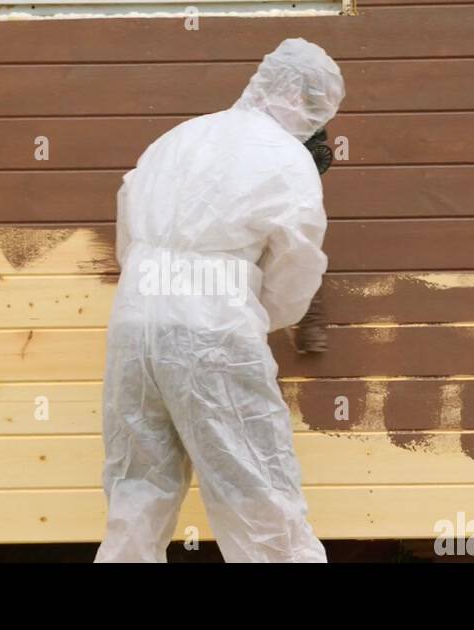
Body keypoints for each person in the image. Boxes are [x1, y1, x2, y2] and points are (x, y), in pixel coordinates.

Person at [95, 38, 345, 563]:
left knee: (137, 487)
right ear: (311, 104)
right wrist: (259, 315)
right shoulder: (287, 160)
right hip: (213, 327)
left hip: (135, 318)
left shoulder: (178, 137)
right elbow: (296, 269)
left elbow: (128, 233)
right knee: (257, 487)